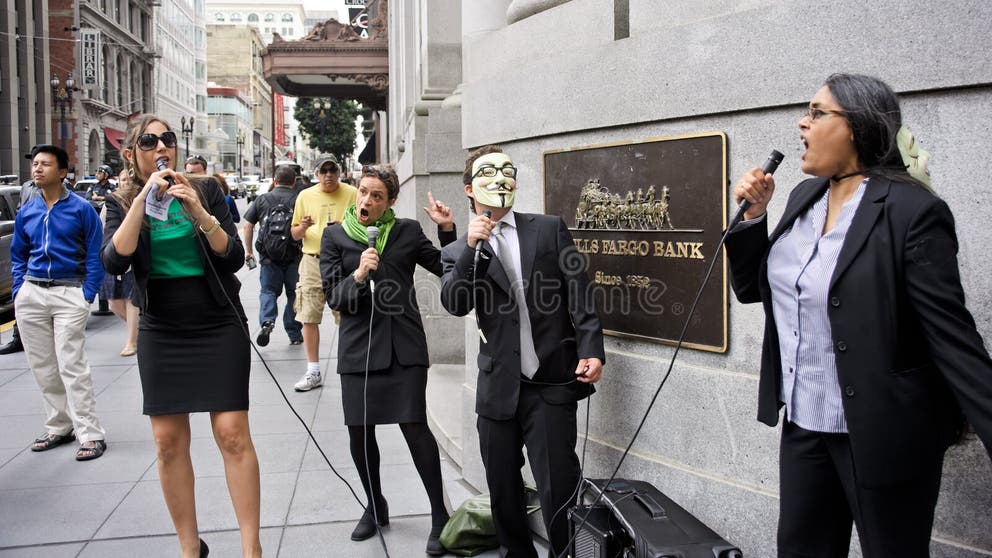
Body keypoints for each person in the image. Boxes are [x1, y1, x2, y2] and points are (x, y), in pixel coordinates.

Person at [726, 73, 992, 557]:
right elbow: (752, 290)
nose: (801, 123)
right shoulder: (803, 198)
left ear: (856, 127)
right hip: (805, 424)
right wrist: (753, 219)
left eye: (816, 112)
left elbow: (953, 338)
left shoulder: (912, 210)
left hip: (884, 433)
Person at [101, 115, 260, 558]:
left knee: (232, 433)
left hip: (216, 320)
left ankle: (252, 548)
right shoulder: (120, 200)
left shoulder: (205, 189)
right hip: (162, 327)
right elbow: (114, 262)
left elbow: (230, 257)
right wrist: (140, 200)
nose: (160, 147)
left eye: (167, 139)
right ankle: (190, 547)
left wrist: (198, 210)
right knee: (168, 442)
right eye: (148, 142)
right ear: (133, 154)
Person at [440, 146, 605, 557]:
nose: (500, 180)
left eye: (507, 171)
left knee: (559, 484)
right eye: (489, 173)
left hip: (551, 382)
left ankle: (565, 553)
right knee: (502, 486)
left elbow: (579, 293)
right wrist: (470, 249)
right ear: (469, 188)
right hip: (498, 385)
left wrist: (592, 348)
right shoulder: (457, 252)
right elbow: (454, 302)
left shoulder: (548, 228)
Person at [321, 164, 457, 554]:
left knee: (415, 428)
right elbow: (335, 297)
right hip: (358, 347)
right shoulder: (334, 236)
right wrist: (360, 275)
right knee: (359, 433)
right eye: (363, 191)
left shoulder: (408, 231)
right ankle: (375, 503)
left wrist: (447, 229)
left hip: (404, 346)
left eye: (377, 195)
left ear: (390, 201)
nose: (366, 200)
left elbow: (445, 267)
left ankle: (438, 515)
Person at [12, 144, 107, 461]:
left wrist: (87, 295)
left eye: (45, 164)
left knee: (72, 365)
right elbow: (18, 256)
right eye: (35, 164)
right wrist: (18, 291)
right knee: (43, 367)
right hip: (32, 293)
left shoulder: (82, 210)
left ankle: (91, 434)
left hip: (69, 293)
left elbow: (95, 255)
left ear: (63, 172)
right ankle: (59, 427)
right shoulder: (27, 211)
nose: (37, 169)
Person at [290, 156, 357, 391]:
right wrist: (304, 226)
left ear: (339, 172)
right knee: (308, 314)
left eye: (333, 169)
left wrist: (345, 225)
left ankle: (352, 364)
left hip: (342, 261)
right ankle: (313, 370)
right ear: (316, 174)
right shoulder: (305, 196)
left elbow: (362, 223)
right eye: (323, 170)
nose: (328, 174)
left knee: (347, 312)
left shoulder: (351, 193)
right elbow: (295, 234)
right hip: (312, 259)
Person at [242, 164, 303, 346]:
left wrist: (249, 251)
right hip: (294, 255)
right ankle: (293, 332)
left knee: (268, 291)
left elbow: (247, 225)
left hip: (269, 257)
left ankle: (267, 320)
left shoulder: (262, 199)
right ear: (294, 182)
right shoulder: (299, 199)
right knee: (294, 293)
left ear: (274, 181)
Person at [97, 170, 140, 357]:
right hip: (113, 256)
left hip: (135, 258)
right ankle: (138, 328)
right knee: (114, 302)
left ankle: (132, 340)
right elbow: (103, 228)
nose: (126, 183)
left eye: (129, 180)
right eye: (123, 180)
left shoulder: (141, 200)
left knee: (132, 299)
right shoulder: (112, 201)